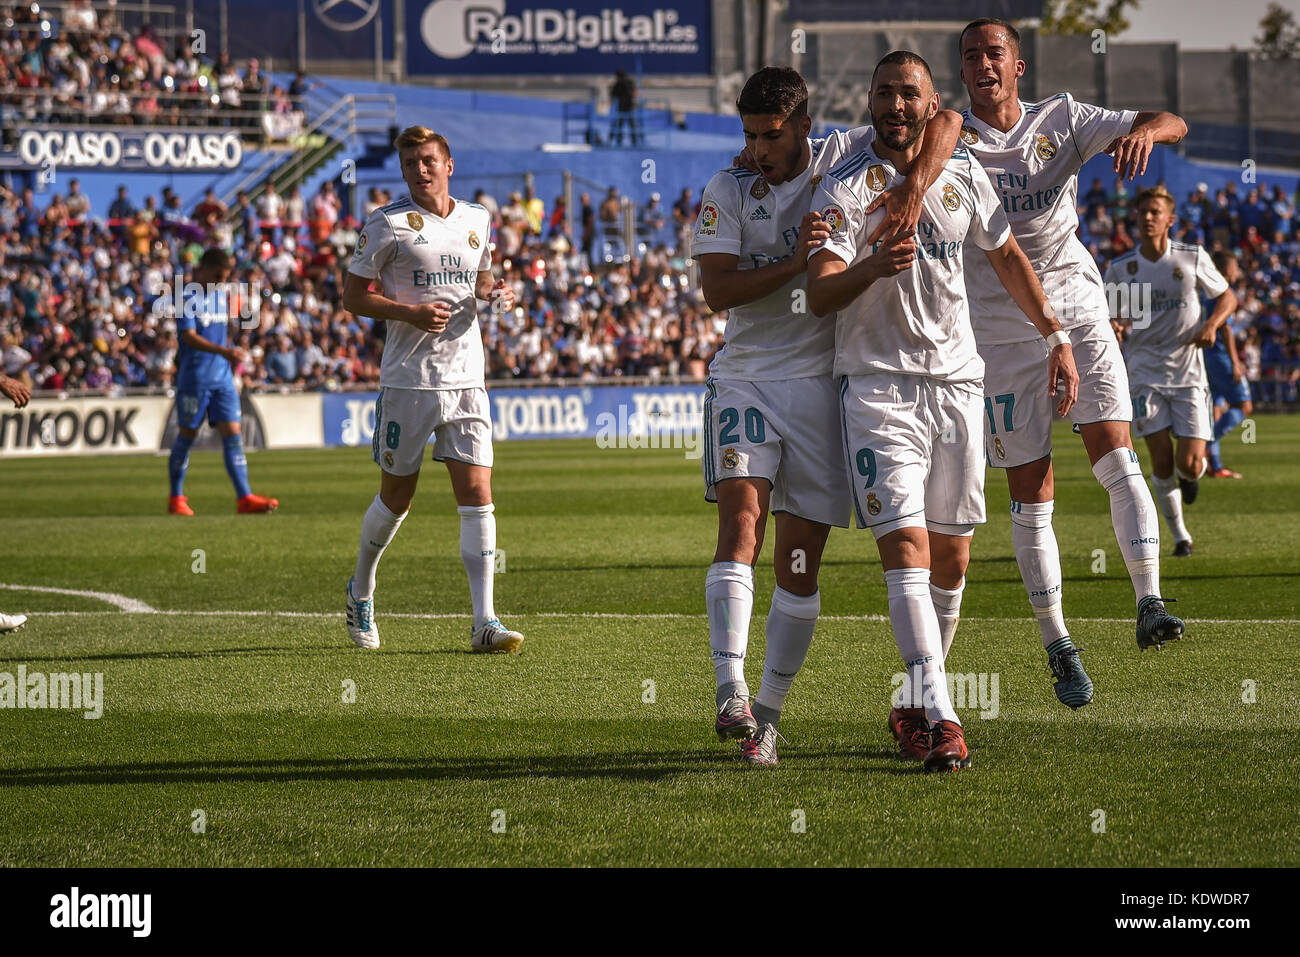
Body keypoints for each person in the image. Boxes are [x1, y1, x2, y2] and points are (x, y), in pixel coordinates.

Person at [808, 51, 1077, 771]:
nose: (896, 105)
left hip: (960, 383)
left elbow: (1008, 253)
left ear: (931, 108)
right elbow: (821, 290)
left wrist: (1055, 334)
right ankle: (946, 714)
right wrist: (870, 263)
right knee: (905, 548)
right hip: (877, 385)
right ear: (869, 101)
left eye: (909, 95)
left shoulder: (960, 172)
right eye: (884, 93)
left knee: (952, 560)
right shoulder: (846, 186)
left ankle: (912, 702)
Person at [693, 65, 962, 766]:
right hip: (747, 378)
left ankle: (768, 719)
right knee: (741, 522)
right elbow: (717, 290)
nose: (757, 149)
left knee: (800, 564)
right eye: (749, 135)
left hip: (820, 387)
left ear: (806, 127)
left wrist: (913, 185)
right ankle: (730, 691)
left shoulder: (844, 158)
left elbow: (949, 120)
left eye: (770, 135)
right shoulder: (727, 188)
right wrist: (800, 258)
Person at [957, 18, 1190, 686]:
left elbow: (1173, 120)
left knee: (1116, 451)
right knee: (1032, 492)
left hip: (1077, 308)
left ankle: (1148, 600)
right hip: (997, 332)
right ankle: (1058, 642)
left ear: (1018, 66)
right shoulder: (952, 136)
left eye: (994, 53)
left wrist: (1146, 129)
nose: (983, 64)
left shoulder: (1062, 118)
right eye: (971, 56)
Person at [341, 126, 522, 654]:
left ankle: (484, 621)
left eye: (427, 161)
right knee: (398, 497)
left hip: (467, 377)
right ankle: (361, 589)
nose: (418, 170)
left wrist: (496, 292)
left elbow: (481, 278)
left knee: (478, 496)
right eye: (409, 163)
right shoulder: (386, 224)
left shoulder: (477, 219)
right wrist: (410, 313)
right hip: (409, 380)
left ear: (449, 164)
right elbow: (354, 297)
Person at [1104, 186, 1235, 558]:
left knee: (1189, 463)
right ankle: (1181, 537)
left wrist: (1211, 325)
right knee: (1161, 458)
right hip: (1144, 372)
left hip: (1189, 373)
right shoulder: (1122, 268)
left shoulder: (1190, 259)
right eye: (1143, 211)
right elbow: (1114, 315)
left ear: (1170, 220)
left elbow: (1227, 296)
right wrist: (1114, 324)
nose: (1148, 217)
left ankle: (1192, 476)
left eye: (1155, 212)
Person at [167, 248, 279, 516]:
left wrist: (231, 347)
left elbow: (218, 332)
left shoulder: (220, 295)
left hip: (222, 376)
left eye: (225, 276)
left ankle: (244, 497)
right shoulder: (185, 297)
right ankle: (176, 498)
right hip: (195, 377)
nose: (221, 280)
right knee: (188, 434)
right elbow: (189, 337)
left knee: (233, 433)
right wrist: (224, 352)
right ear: (203, 269)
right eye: (218, 275)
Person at [1203, 250, 1251, 478]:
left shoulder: (1204, 291)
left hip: (1205, 358)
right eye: (1235, 266)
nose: (1238, 270)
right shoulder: (1221, 290)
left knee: (1214, 411)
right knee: (1244, 407)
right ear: (1227, 270)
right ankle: (1204, 445)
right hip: (1220, 357)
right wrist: (1235, 362)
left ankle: (1215, 465)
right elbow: (1226, 327)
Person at [609, 69, 640, 146]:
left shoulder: (630, 83)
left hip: (629, 107)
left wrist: (633, 98)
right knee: (619, 126)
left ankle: (634, 142)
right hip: (621, 108)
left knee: (632, 126)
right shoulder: (617, 85)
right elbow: (612, 95)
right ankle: (618, 142)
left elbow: (635, 93)